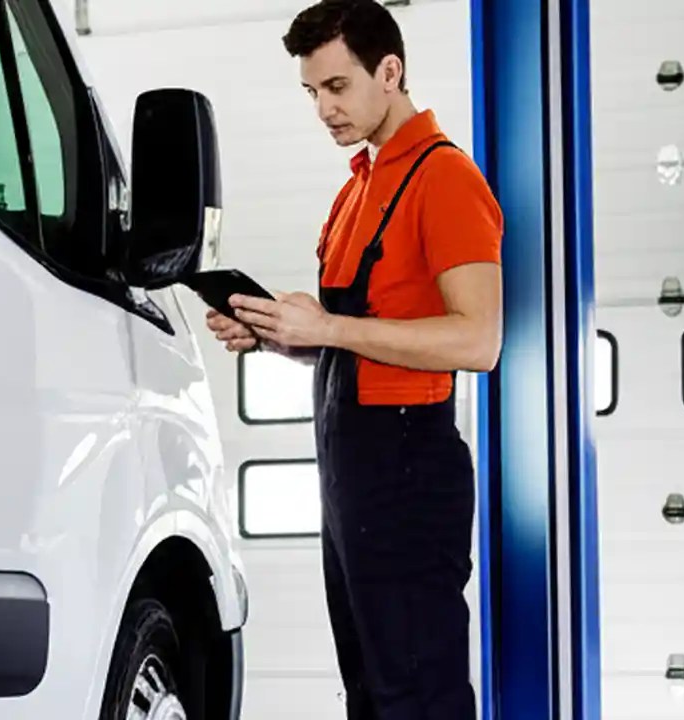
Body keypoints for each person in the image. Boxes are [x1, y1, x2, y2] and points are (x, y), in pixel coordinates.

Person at [205, 1, 504, 718]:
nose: (323, 110)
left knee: (416, 693)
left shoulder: (445, 178)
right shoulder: (357, 187)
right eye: (312, 92)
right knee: (368, 688)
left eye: (336, 87)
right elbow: (359, 344)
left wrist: (330, 327)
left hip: (408, 466)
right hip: (351, 475)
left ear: (390, 72)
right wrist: (281, 334)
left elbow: (477, 340)